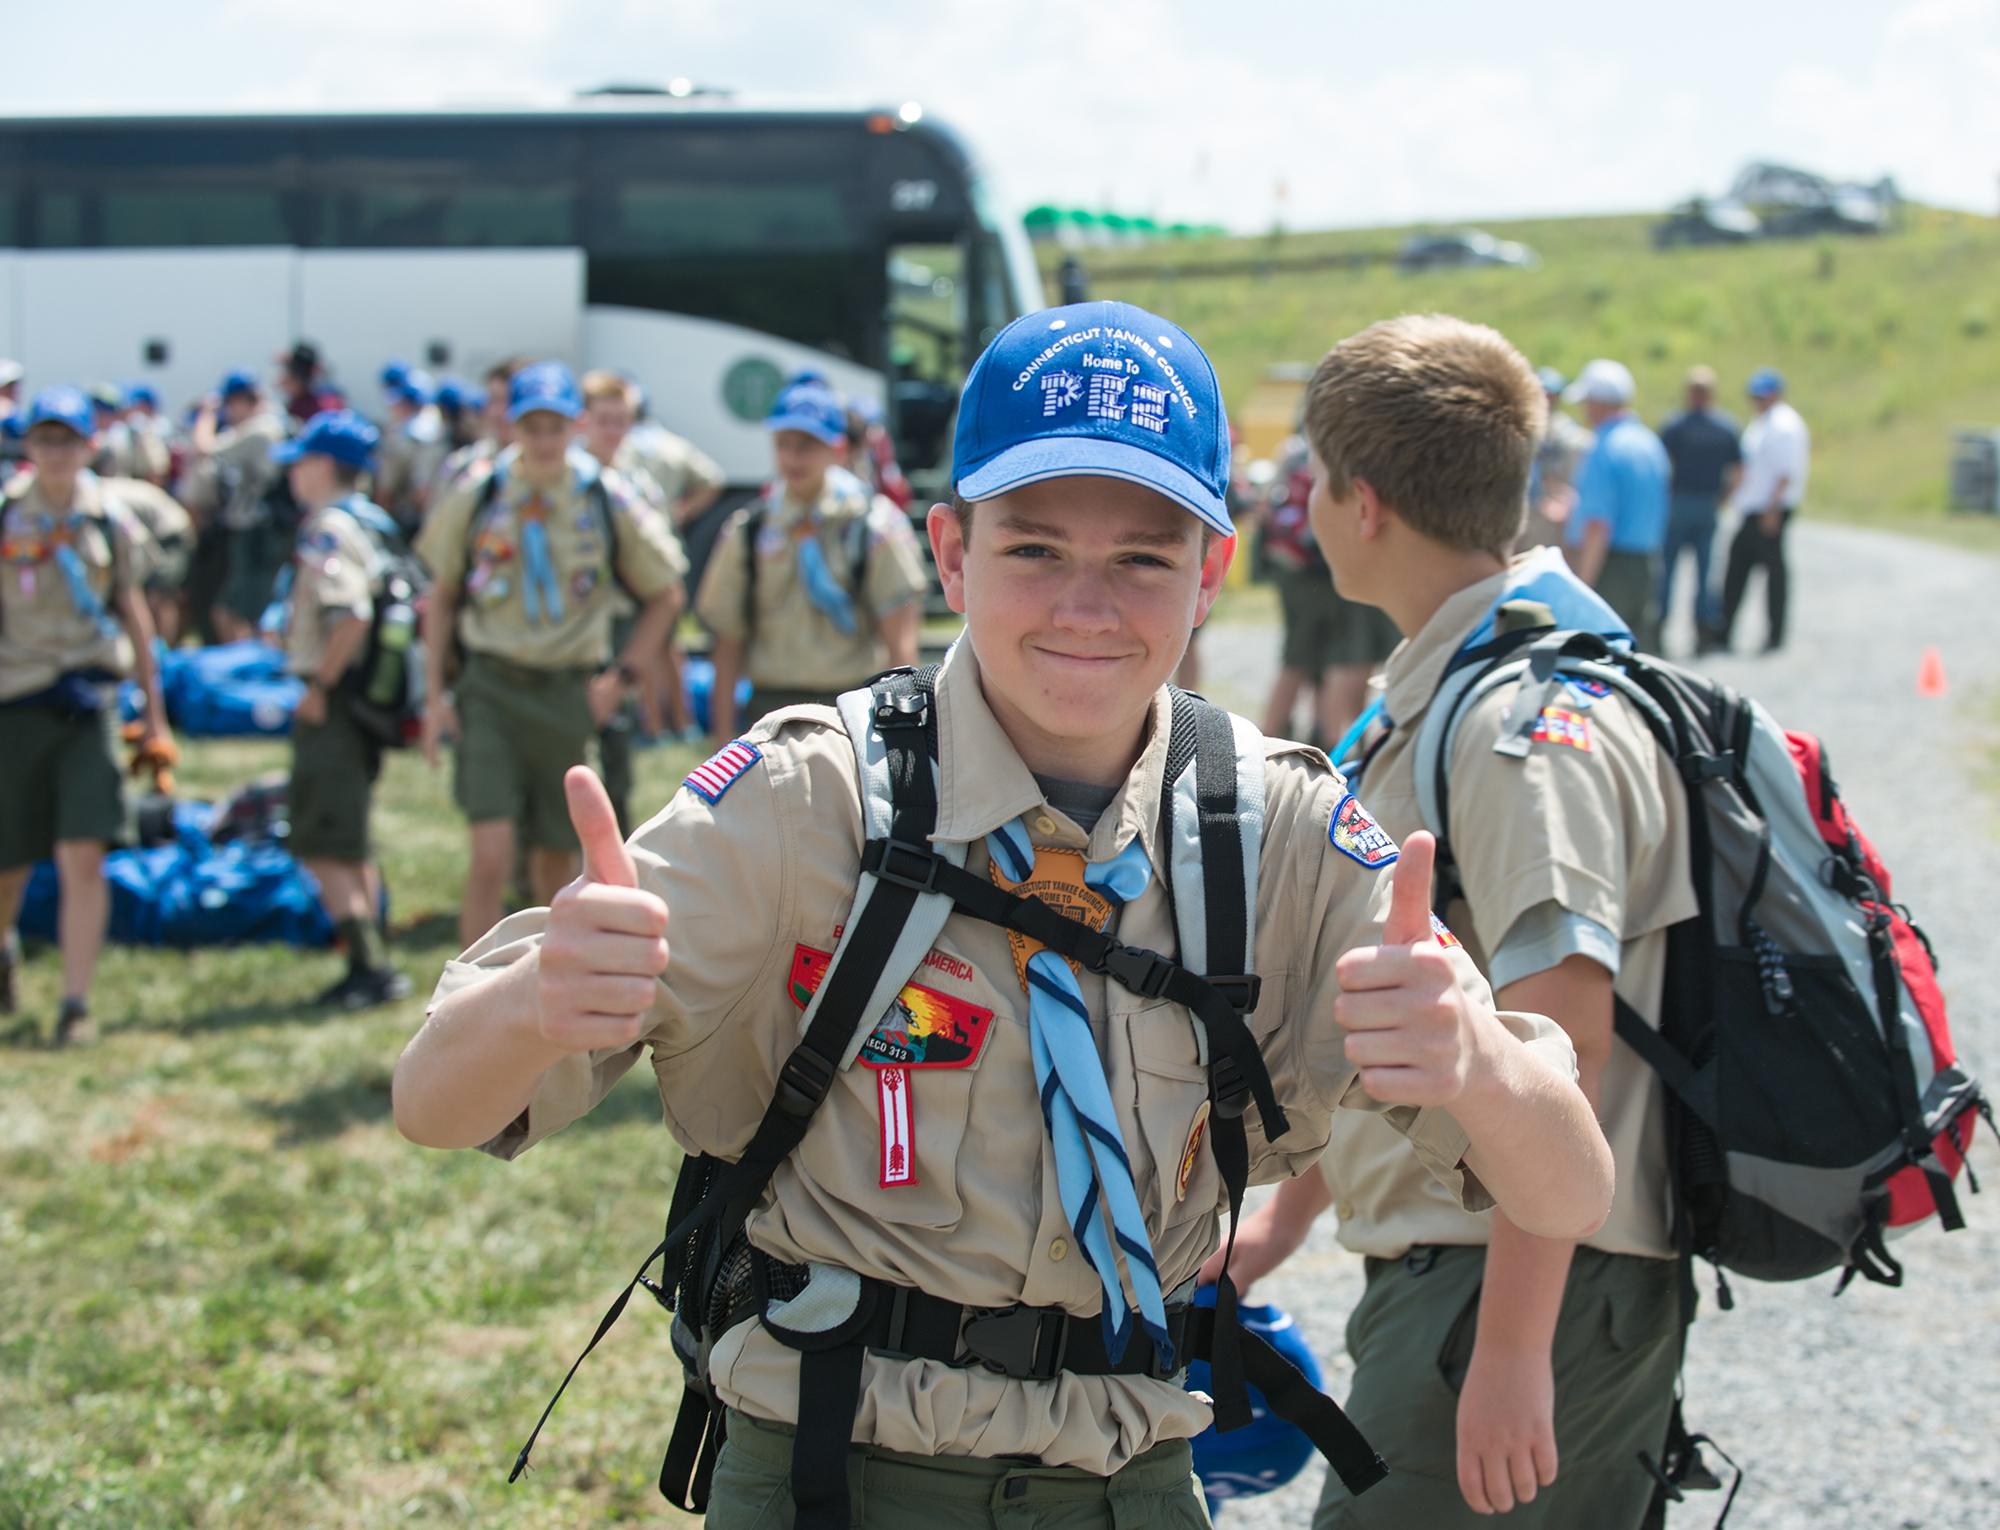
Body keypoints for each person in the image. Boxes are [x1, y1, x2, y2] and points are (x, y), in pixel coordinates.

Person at [391, 299, 1615, 1530]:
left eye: (1142, 557)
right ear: (948, 551)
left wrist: (1478, 1073)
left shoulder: (1281, 834)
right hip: (829, 1473)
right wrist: (538, 1004)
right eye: (1032, 548)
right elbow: (434, 1105)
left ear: (1211, 574)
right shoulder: (807, 797)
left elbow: (1567, 1193)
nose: (1085, 607)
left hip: (1127, 1488)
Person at [1209, 314, 1692, 1530]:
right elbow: (1420, 1023)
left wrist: (1512, 1352)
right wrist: (1283, 1219)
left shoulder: (1518, 726)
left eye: (1316, 476)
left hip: (1516, 1285)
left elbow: (1560, 1036)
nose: (1304, 504)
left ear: (1360, 503)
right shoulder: (1451, 688)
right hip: (1467, 1268)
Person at [415, 361, 688, 948]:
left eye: (555, 427)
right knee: (490, 852)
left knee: (555, 863)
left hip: (568, 691)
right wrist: (435, 692)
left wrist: (620, 677)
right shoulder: (483, 492)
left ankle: (542, 997)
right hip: (491, 684)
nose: (543, 441)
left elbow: (665, 593)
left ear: (578, 425)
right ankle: (466, 999)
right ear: (510, 425)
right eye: (530, 426)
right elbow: (440, 596)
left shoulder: (603, 496)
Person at [0, 386, 172, 1043]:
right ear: (28, 445)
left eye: (68, 440)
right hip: (16, 698)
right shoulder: (7, 512)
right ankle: (6, 951)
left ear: (88, 445)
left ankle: (76, 1003)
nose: (56, 453)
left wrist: (154, 712)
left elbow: (135, 611)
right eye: (44, 440)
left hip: (90, 699)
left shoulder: (109, 516)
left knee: (83, 855)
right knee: (9, 862)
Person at [267, 410, 414, 1009]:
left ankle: (366, 964)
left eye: (301, 461)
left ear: (324, 465)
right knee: (349, 835)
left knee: (321, 836)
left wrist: (319, 686)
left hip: (338, 704)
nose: (294, 474)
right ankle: (371, 954)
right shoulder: (374, 522)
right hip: (369, 704)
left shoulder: (327, 528)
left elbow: (351, 613)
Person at [695, 376, 928, 745]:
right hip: (769, 709)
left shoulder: (872, 525)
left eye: (807, 445)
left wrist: (900, 735)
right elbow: (727, 641)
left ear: (837, 450)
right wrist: (723, 738)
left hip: (850, 706)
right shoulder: (750, 528)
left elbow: (900, 641)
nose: (792, 457)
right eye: (783, 444)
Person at [574, 369, 683, 831]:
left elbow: (663, 567)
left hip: (623, 620)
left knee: (616, 740)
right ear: (583, 421)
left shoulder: (638, 484)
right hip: (577, 624)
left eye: (623, 420)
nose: (614, 431)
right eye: (604, 420)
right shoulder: (572, 483)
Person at [1260, 435, 1398, 748]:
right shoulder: (1352, 451)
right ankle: (1335, 743)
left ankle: (1314, 737)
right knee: (1341, 658)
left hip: (1299, 569)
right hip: (1332, 570)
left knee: (1309, 660)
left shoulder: (1303, 449)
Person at [1562, 360, 1669, 652]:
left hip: (1611, 563)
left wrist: (1582, 585)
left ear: (1598, 402)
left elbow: (1598, 523)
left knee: (1603, 648)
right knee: (1639, 646)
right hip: (1645, 560)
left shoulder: (1604, 447)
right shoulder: (1649, 442)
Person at [183, 367, 291, 644]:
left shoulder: (260, 429)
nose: (227, 413)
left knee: (241, 614)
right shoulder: (273, 422)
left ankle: (251, 675)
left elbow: (203, 448)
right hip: (261, 530)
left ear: (243, 400)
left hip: (258, 532)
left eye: (228, 405)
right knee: (236, 613)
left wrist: (206, 414)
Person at [1718, 368, 1809, 655]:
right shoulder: (1762, 422)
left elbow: (1786, 471)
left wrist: (1773, 507)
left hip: (1769, 509)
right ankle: (1725, 630)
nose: (1758, 399)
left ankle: (1774, 633)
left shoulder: (1784, 424)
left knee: (1772, 572)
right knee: (1737, 569)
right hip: (1753, 508)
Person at [1656, 366, 1741, 653]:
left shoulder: (1676, 425)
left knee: (1668, 569)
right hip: (1707, 503)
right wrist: (1723, 498)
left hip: (1681, 501)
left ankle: (1659, 628)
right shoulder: (1725, 427)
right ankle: (1702, 632)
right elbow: (1739, 470)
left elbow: (1662, 464)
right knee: (1705, 571)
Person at [1519, 367, 1593, 550]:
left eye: (1552, 394)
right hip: (1523, 505)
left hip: (1552, 508)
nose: (1547, 399)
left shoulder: (1568, 431)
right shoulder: (1520, 425)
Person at [374, 369, 447, 534]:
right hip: (441, 520)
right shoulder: (442, 432)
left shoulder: (402, 439)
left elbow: (386, 494)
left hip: (410, 522)